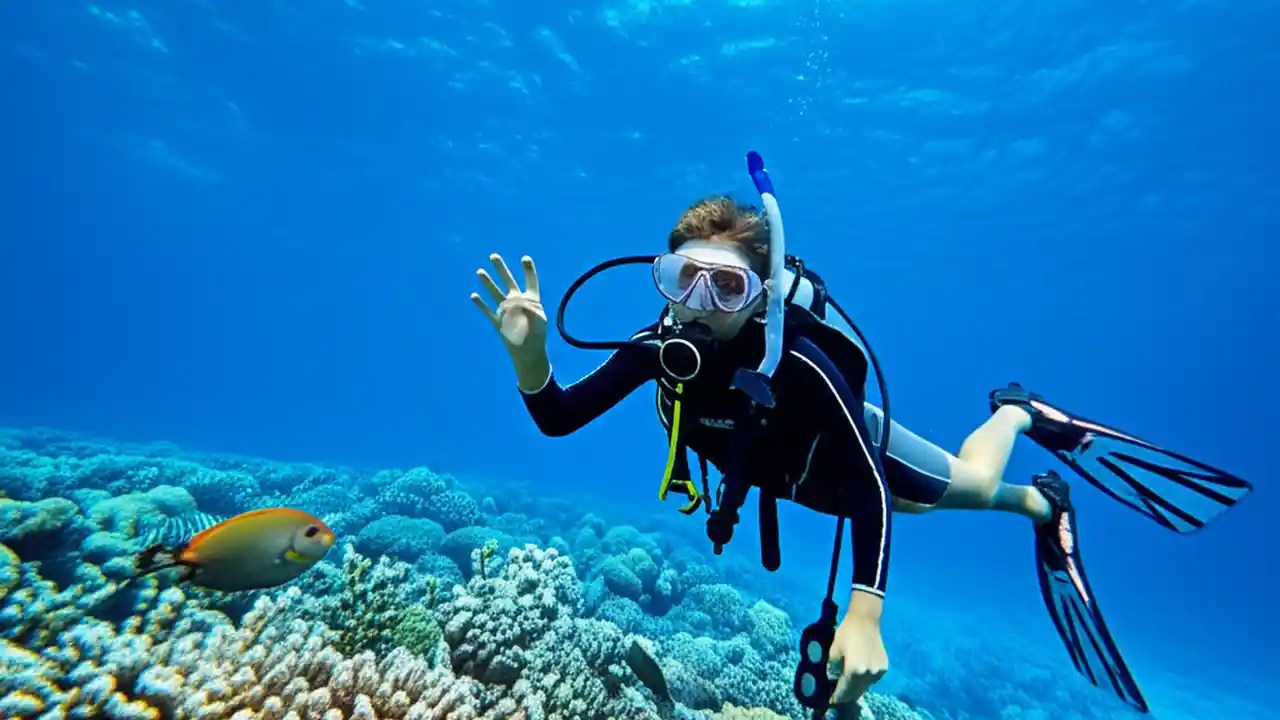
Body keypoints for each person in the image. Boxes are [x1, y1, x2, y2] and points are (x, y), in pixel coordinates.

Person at [469, 159, 1252, 717]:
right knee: (925, 509)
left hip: (851, 454)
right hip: (794, 477)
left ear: (763, 296)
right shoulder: (655, 351)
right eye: (684, 280)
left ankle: (1018, 413)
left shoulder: (800, 365)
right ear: (665, 279)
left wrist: (866, 611)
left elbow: (871, 486)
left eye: (728, 286)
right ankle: (1044, 507)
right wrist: (531, 360)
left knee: (956, 491)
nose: (701, 306)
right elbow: (559, 415)